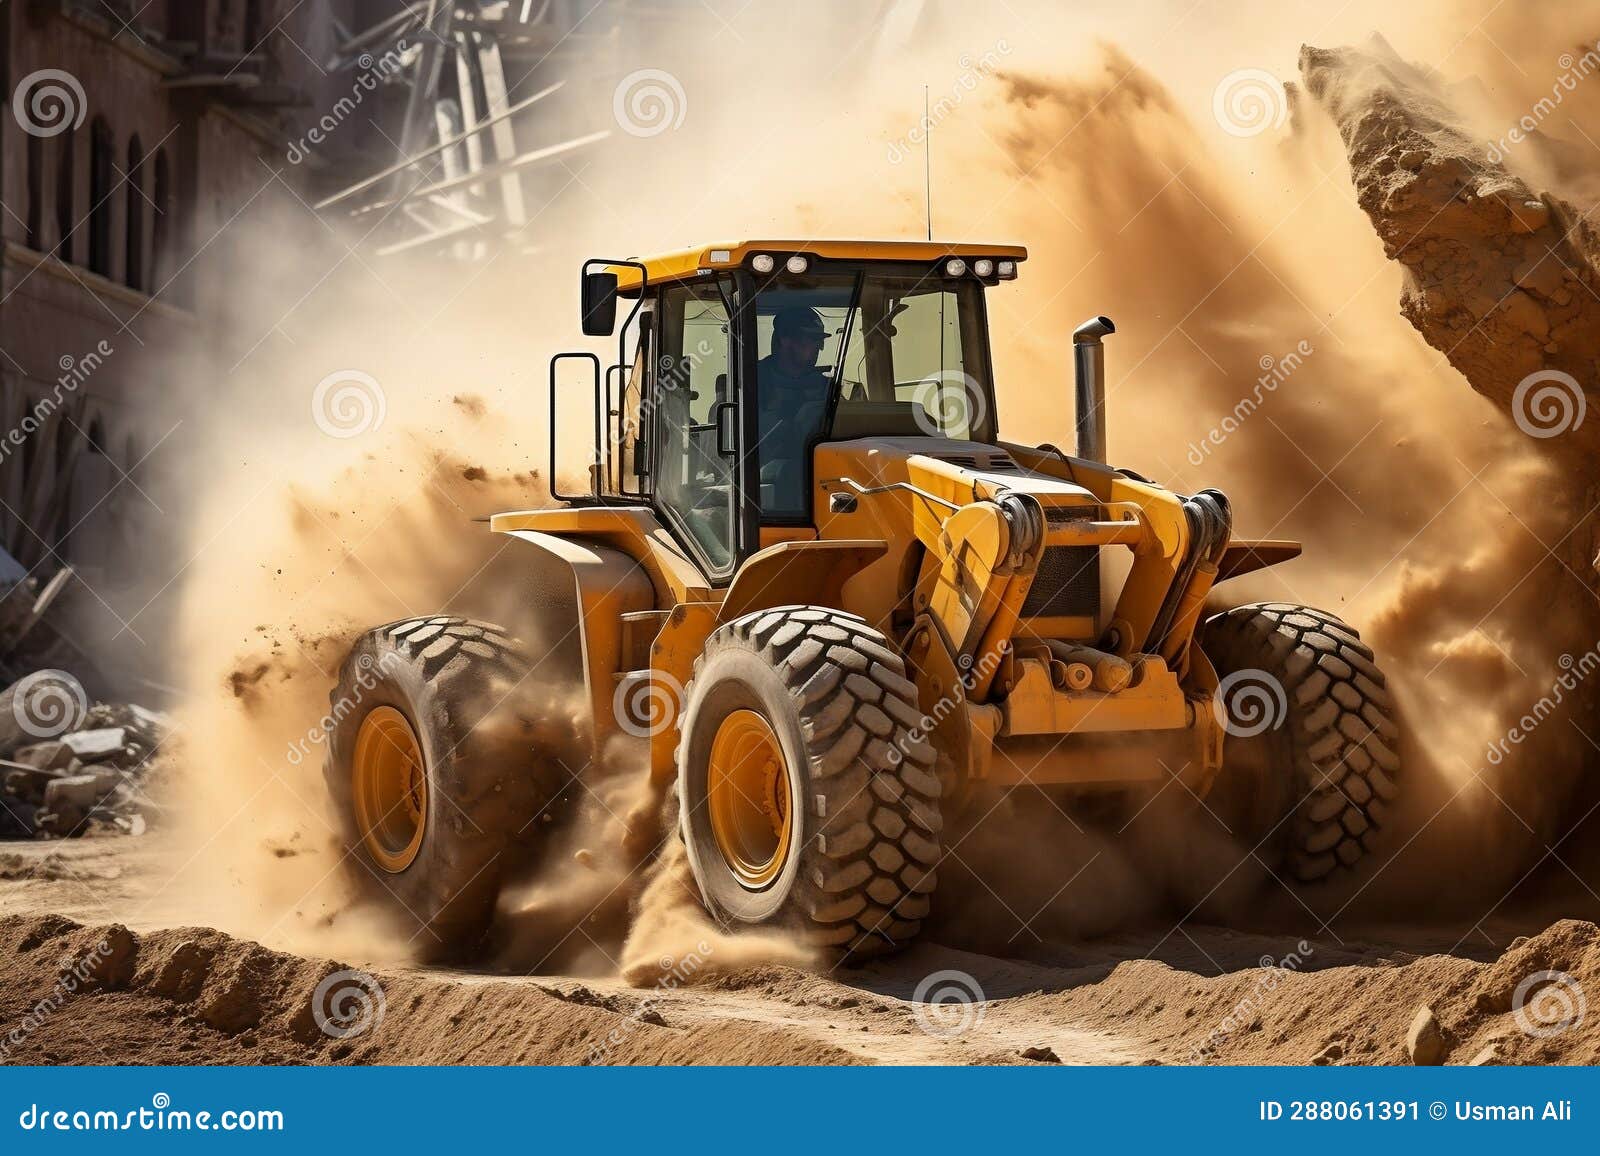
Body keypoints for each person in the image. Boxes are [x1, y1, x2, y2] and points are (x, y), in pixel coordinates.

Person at [757, 307, 832, 513]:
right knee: (788, 472)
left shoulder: (827, 389)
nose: (818, 348)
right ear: (785, 340)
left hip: (824, 477)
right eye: (811, 340)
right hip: (761, 487)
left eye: (820, 342)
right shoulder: (749, 385)